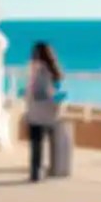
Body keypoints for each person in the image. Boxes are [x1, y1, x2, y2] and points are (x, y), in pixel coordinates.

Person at [24, 41, 63, 182]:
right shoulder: (54, 71)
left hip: (36, 112)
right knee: (51, 143)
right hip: (51, 111)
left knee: (36, 144)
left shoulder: (37, 69)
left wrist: (26, 96)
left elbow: (34, 91)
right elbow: (57, 90)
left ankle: (35, 173)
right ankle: (53, 169)